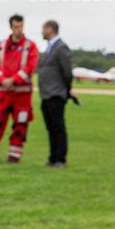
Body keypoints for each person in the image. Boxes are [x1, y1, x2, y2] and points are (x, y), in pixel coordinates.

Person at [0, 14, 39, 163]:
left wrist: (14, 80)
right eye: (16, 27)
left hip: (22, 94)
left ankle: (14, 156)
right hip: (4, 92)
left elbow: (31, 66)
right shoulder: (1, 46)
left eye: (21, 26)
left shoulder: (30, 46)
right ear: (11, 27)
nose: (19, 30)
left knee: (20, 123)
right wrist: (1, 79)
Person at [39, 19, 73, 167]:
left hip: (56, 94)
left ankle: (60, 159)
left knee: (58, 128)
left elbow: (67, 73)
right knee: (51, 128)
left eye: (43, 29)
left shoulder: (61, 47)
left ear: (50, 29)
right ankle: (53, 157)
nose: (42, 32)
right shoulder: (49, 48)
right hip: (46, 94)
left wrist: (65, 90)